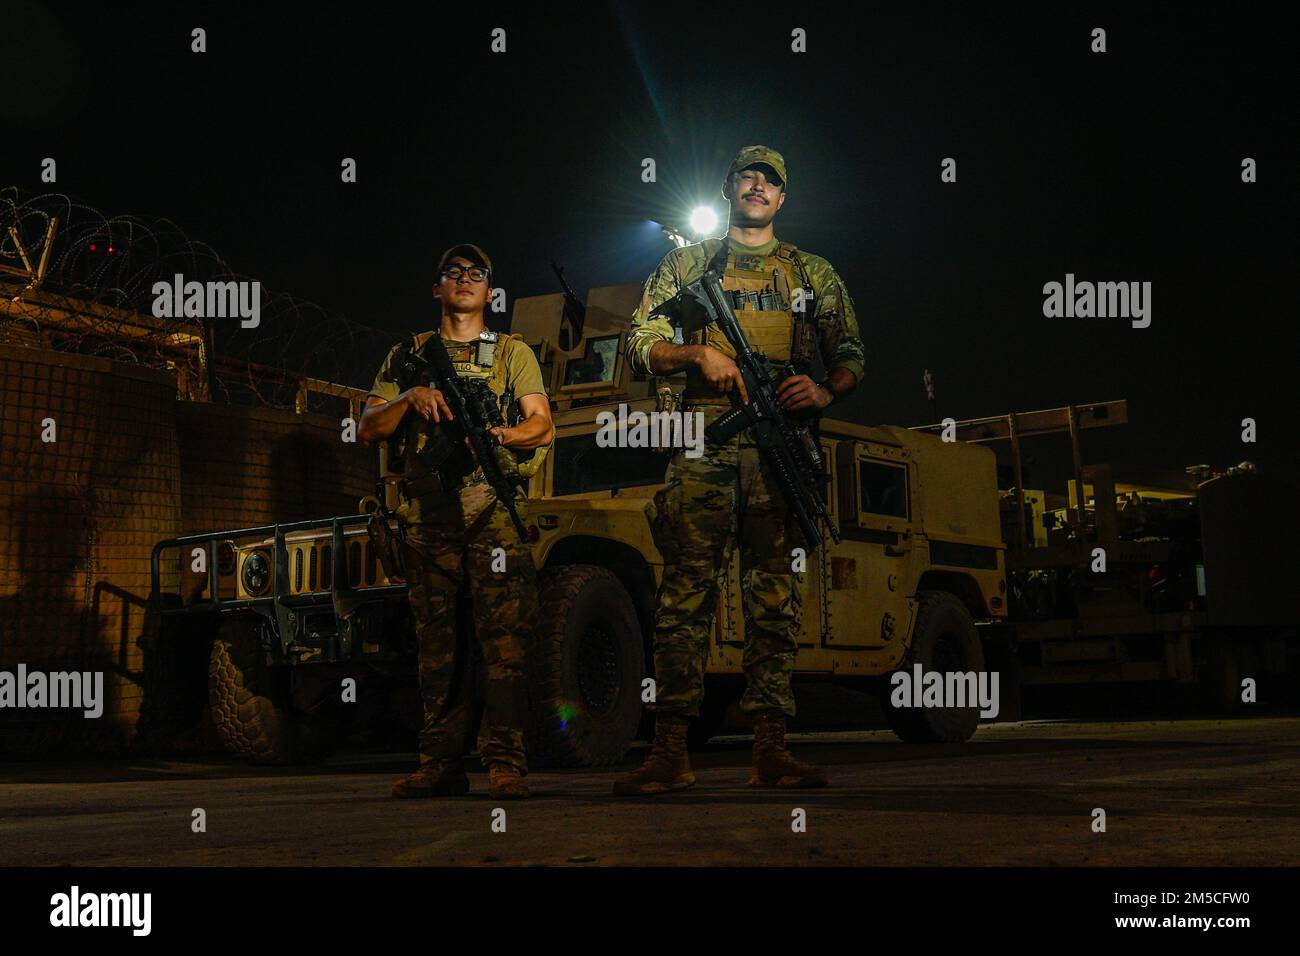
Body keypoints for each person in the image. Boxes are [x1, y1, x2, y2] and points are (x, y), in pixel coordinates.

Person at [614, 147, 864, 795]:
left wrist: (827, 391)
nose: (758, 186)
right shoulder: (687, 265)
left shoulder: (813, 273)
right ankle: (669, 750)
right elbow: (640, 344)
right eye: (747, 176)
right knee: (686, 597)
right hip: (705, 445)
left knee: (773, 599)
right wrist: (697, 352)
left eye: (771, 181)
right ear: (729, 189)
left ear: (782, 199)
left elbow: (852, 354)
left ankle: (772, 751)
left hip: (780, 449)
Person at [360, 243, 553, 800]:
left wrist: (500, 436)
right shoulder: (409, 355)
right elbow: (368, 425)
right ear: (437, 288)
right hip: (428, 520)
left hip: (492, 512)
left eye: (477, 274)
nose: (466, 280)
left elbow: (541, 424)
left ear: (490, 291)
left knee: (505, 644)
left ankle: (506, 763)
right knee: (438, 648)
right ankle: (439, 763)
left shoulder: (512, 352)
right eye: (454, 272)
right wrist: (411, 399)